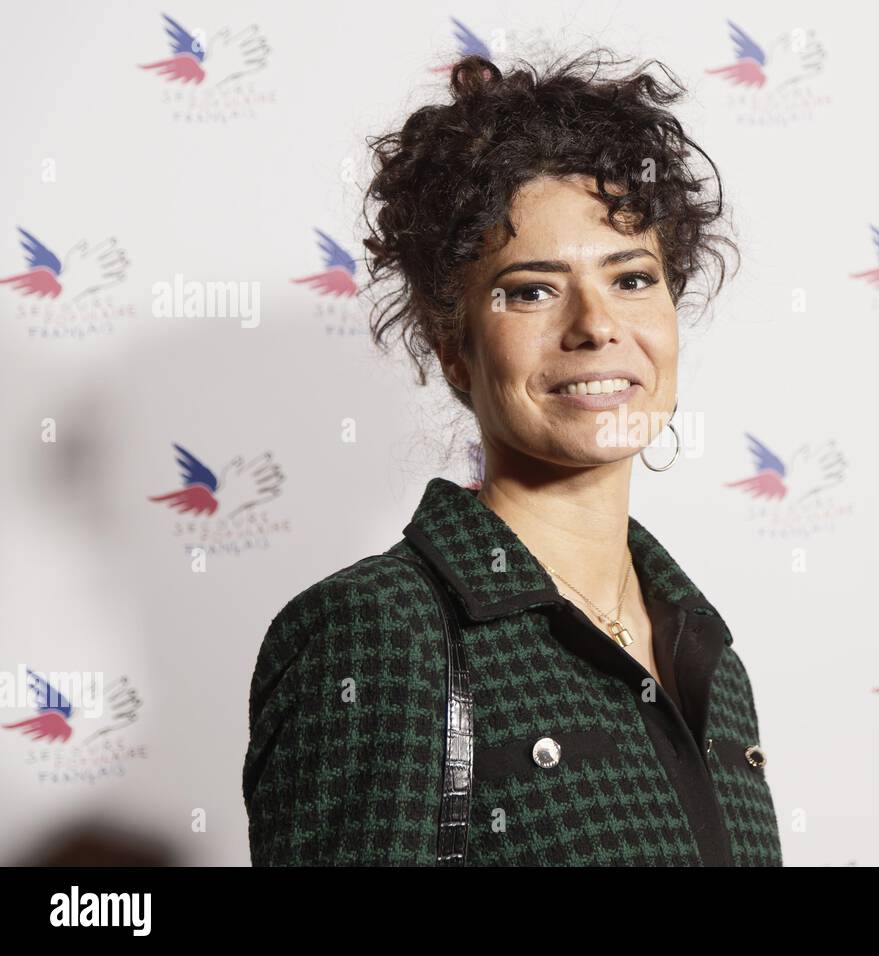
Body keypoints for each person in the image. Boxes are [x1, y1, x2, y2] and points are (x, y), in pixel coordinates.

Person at [242, 49, 782, 866]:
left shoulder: (706, 652)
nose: (597, 326)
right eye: (532, 289)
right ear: (453, 346)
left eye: (633, 279)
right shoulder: (381, 635)